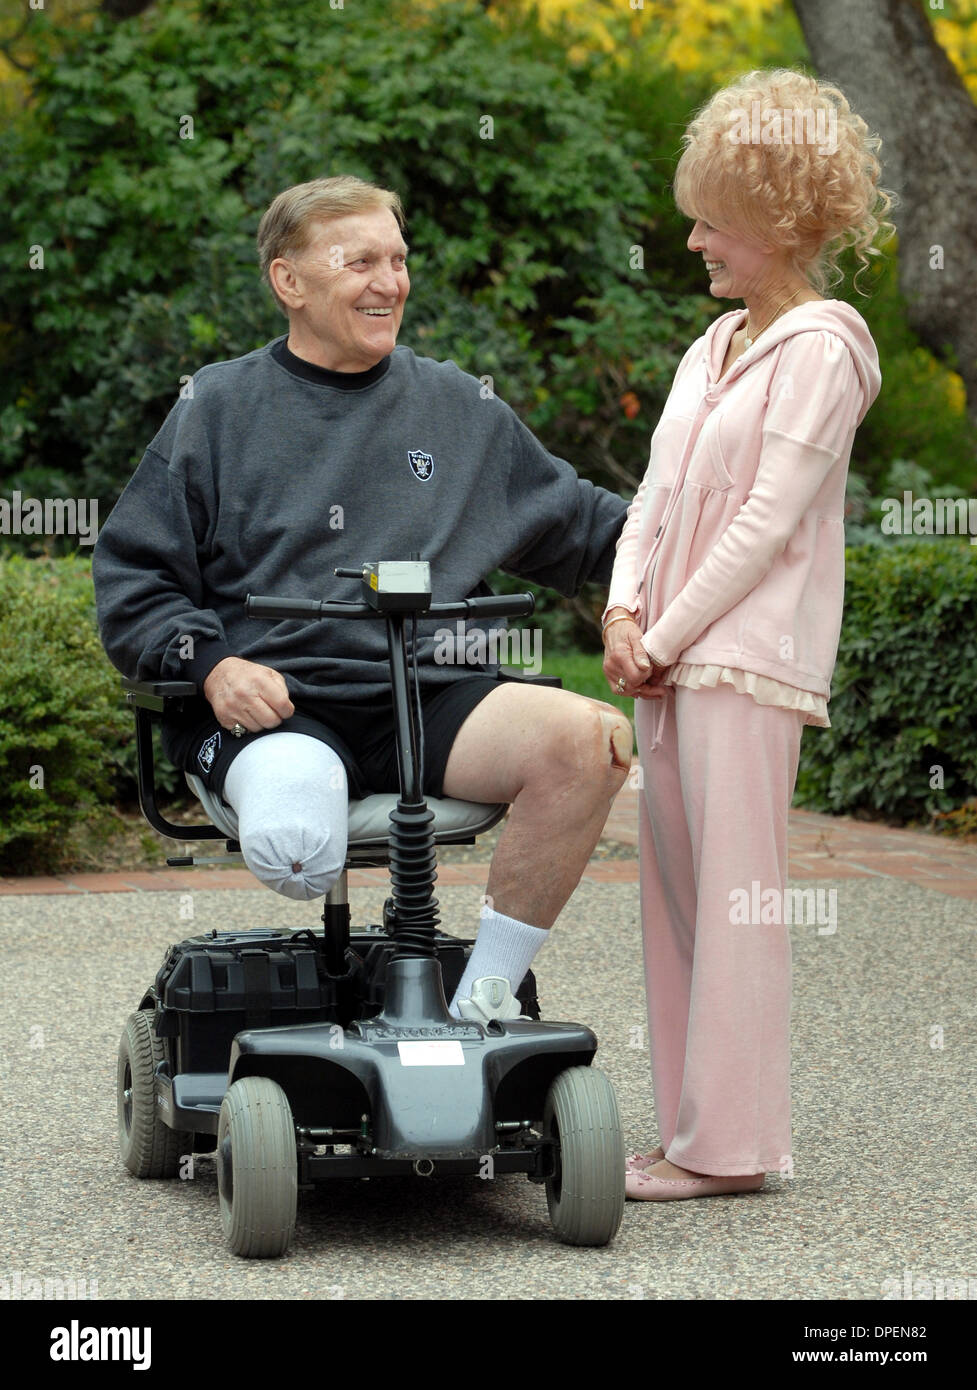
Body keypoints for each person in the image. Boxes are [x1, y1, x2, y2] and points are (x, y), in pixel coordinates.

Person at [93, 175, 632, 1025]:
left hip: (430, 696)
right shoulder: (218, 407)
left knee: (587, 742)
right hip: (277, 702)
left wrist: (714, 536)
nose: (390, 282)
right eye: (361, 262)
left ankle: (481, 1004)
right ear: (289, 282)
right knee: (296, 842)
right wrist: (208, 666)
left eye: (398, 259)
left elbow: (591, 528)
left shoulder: (458, 405)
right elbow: (133, 579)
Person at [602, 70, 891, 1199]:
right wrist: (624, 613)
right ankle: (689, 1134)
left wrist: (661, 633)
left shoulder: (825, 346)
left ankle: (730, 1149)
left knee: (733, 907)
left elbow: (767, 522)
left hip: (741, 664)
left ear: (775, 221)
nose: (691, 240)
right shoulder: (709, 346)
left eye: (711, 220)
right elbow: (654, 497)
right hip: (671, 663)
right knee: (674, 899)